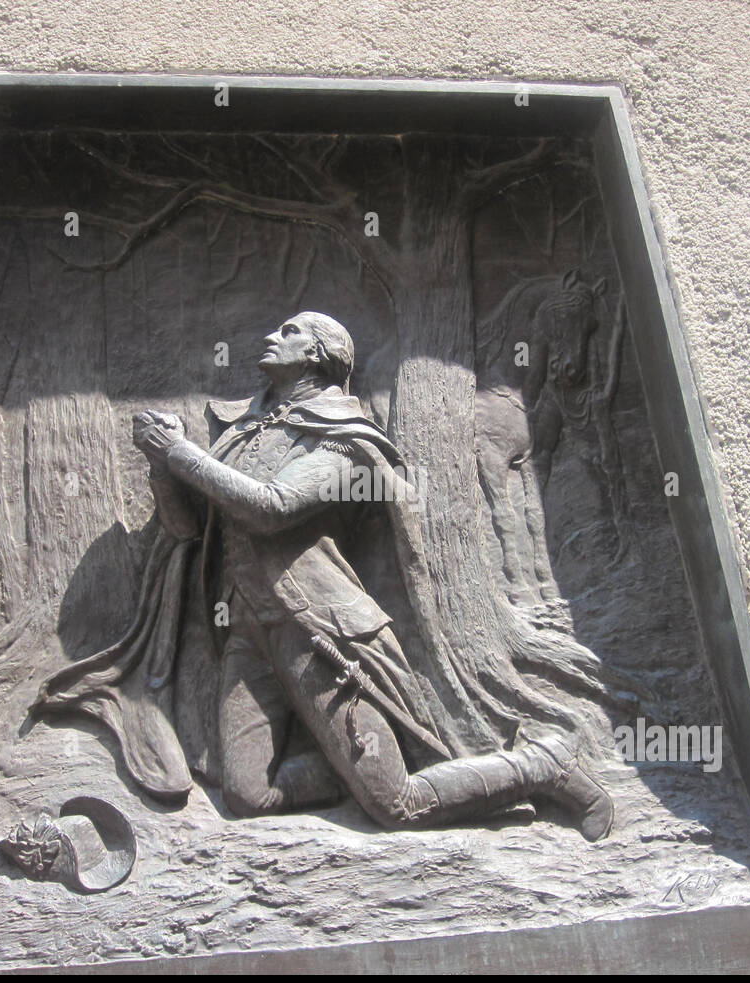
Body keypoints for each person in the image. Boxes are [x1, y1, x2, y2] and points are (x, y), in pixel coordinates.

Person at [133, 312, 613, 840]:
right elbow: (188, 529)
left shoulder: (347, 440)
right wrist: (162, 464)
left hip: (321, 632)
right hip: (246, 629)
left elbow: (272, 507)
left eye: (290, 331)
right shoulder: (244, 435)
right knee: (248, 794)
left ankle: (545, 765)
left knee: (398, 806)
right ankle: (352, 771)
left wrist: (181, 453)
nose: (271, 335)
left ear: (320, 353)